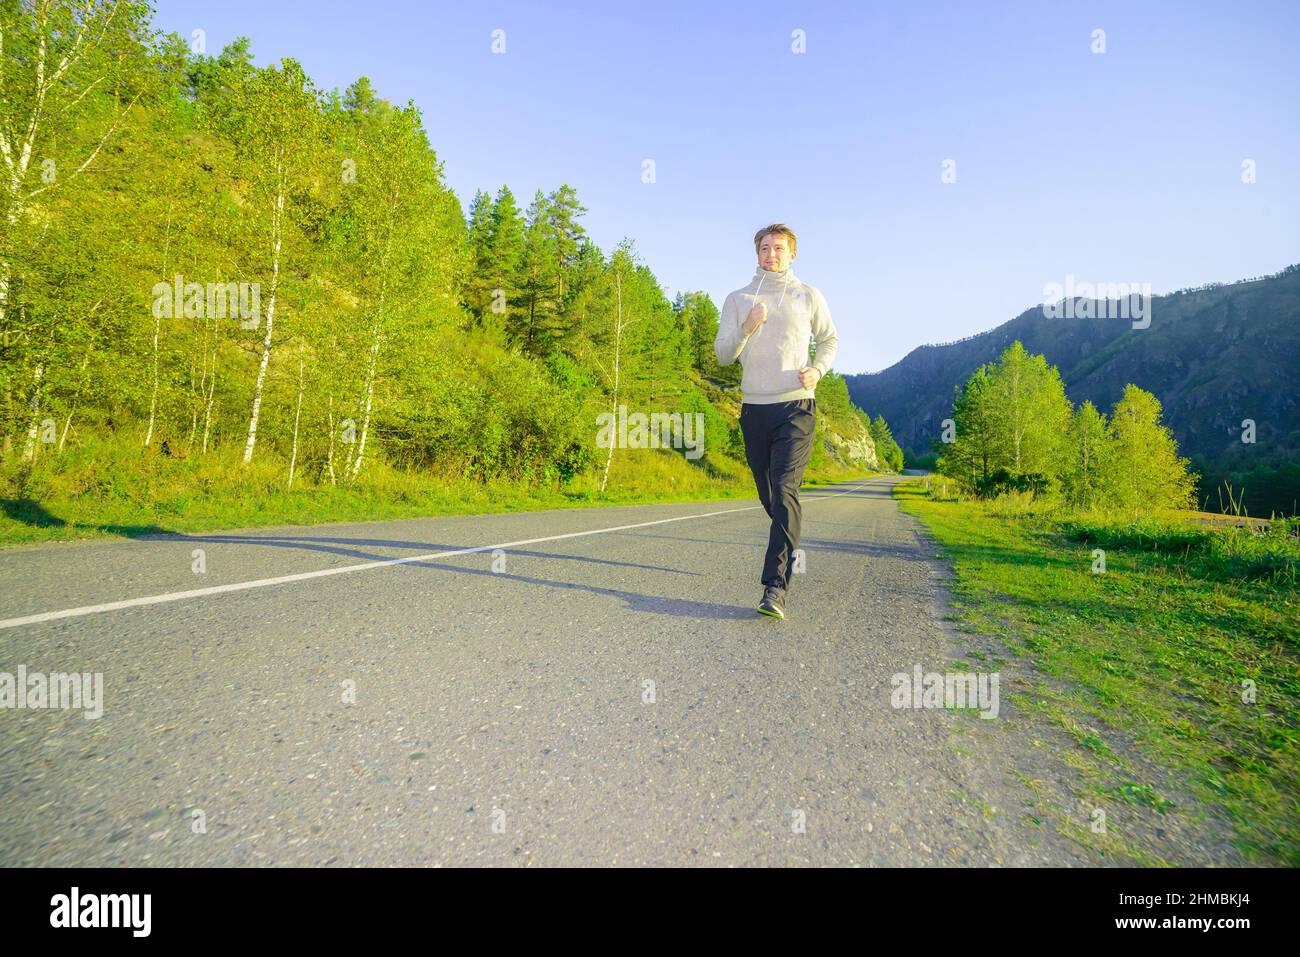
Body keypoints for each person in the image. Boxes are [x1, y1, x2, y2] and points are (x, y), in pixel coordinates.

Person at [714, 223, 839, 620]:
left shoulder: (808, 295)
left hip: (796, 406)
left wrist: (817, 370)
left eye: (779, 248)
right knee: (771, 496)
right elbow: (722, 355)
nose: (772, 254)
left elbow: (830, 339)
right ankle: (790, 529)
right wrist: (747, 326)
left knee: (785, 490)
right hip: (755, 408)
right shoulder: (738, 299)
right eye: (765, 248)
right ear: (756, 254)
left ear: (793, 254)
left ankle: (775, 588)